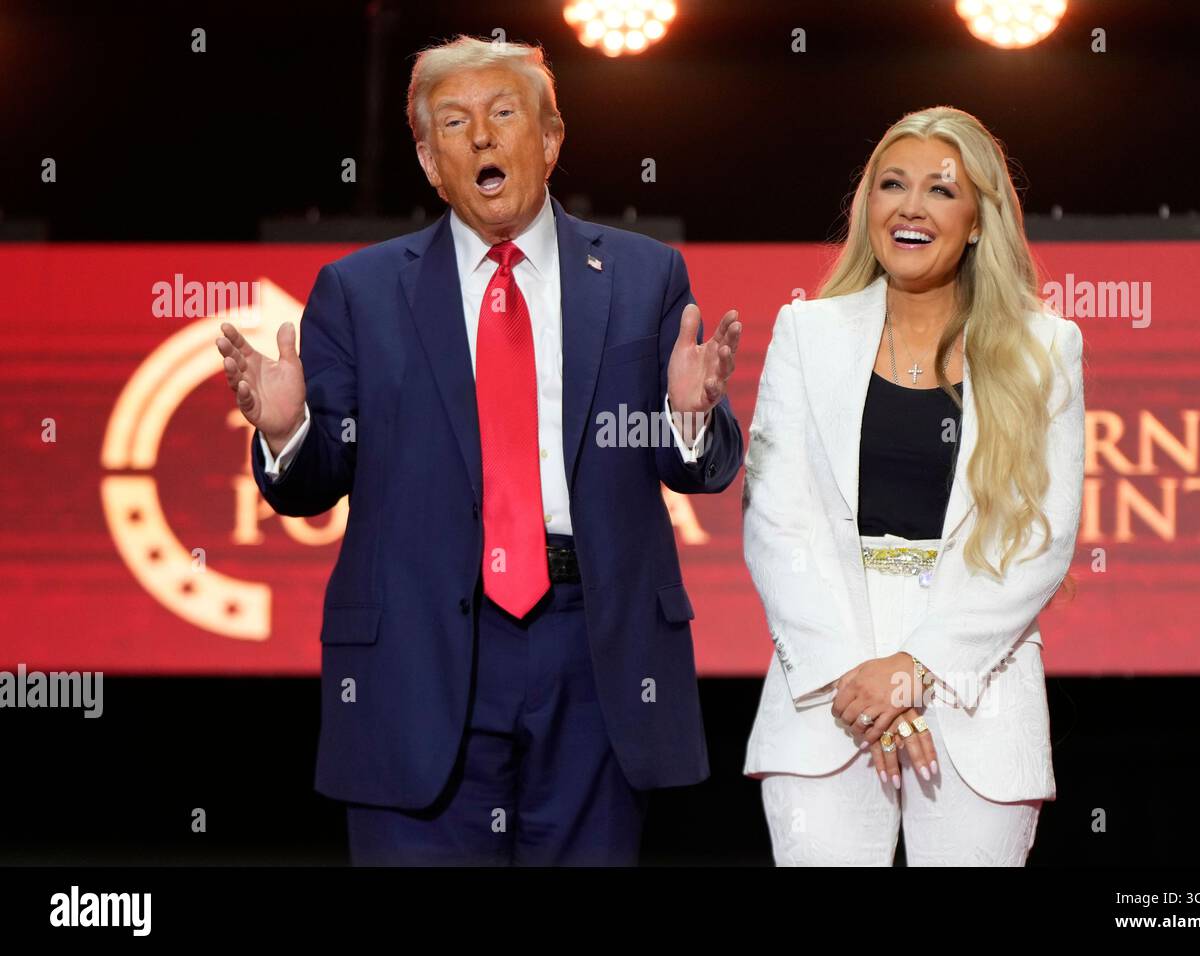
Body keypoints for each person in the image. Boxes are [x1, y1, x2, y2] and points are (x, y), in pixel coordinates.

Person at [215, 35, 743, 866]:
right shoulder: (358, 291)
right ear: (429, 160)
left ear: (552, 137)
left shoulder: (645, 276)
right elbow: (314, 485)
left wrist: (685, 415)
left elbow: (701, 469)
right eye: (454, 124)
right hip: (419, 655)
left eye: (504, 114)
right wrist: (287, 431)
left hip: (595, 650)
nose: (483, 138)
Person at [741, 106, 1085, 865]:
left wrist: (917, 668)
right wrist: (858, 678)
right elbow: (776, 523)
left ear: (977, 221)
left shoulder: (1047, 347)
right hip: (827, 691)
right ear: (868, 210)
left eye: (941, 189)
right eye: (892, 185)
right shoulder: (806, 333)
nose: (911, 206)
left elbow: (1041, 533)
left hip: (978, 688)